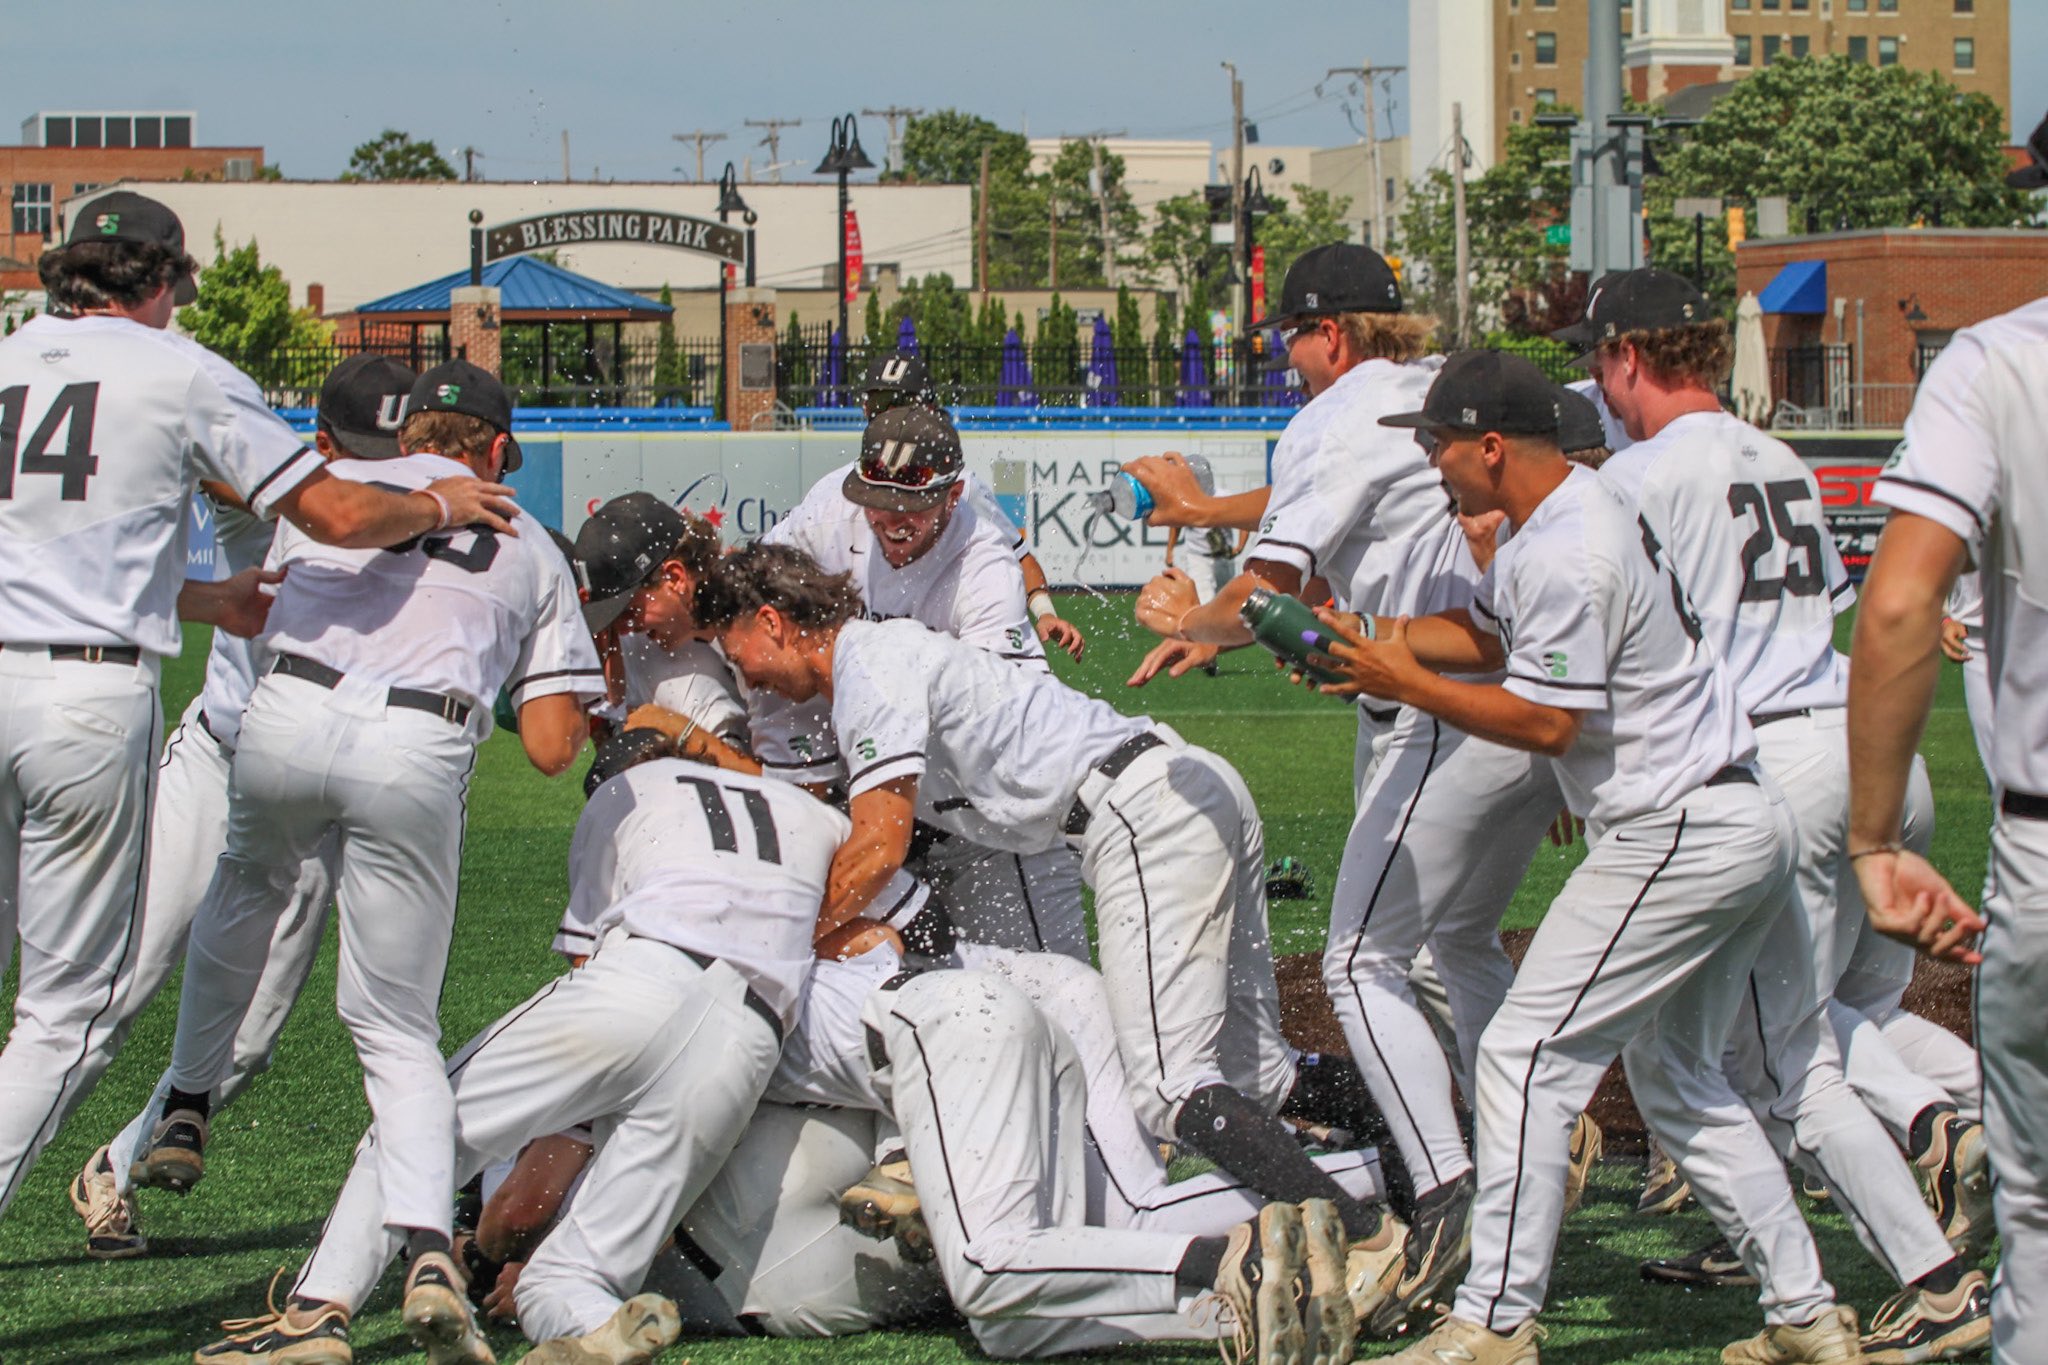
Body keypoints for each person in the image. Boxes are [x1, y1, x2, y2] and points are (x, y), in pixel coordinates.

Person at [696, 541, 1420, 1314]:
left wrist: (783, 937)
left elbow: (877, 846)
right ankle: (1450, 1161)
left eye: (734, 650)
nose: (744, 675)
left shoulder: (866, 663)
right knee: (1262, 1078)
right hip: (1187, 783)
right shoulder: (885, 652)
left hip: (1140, 811)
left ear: (769, 619)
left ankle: (1373, 1239)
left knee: (1170, 1089)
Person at [1313, 348, 1864, 1365]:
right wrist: (1364, 641)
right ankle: (1803, 1316)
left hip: (1677, 829)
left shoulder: (1569, 543)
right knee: (1680, 1079)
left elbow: (1544, 723)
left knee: (1524, 1055)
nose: (1430, 463)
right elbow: (1480, 633)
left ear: (1489, 447)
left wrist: (1402, 680)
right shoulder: (1564, 515)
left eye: (1437, 444)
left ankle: (1492, 1323)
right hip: (1729, 817)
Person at [0, 192, 517, 1230]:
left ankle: (146, 1137)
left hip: (263, 762)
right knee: (75, 1008)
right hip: (132, 721)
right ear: (159, 283)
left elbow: (77, 544)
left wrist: (202, 599)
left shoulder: (14, 353)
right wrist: (433, 500)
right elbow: (325, 508)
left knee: (226, 1032)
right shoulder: (191, 383)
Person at [133, 359, 604, 1356]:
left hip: (288, 714)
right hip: (417, 748)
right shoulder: (531, 545)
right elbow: (555, 745)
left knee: (244, 885)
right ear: (502, 449)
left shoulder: (331, 493)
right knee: (395, 1030)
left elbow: (278, 510)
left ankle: (183, 1099)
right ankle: (429, 1245)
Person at [1133, 246, 1565, 1329]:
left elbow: (1275, 579)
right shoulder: (1443, 392)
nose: (1284, 357)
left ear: (1330, 335)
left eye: (1289, 336)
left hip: (1438, 707)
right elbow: (1317, 503)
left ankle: (1445, 1193)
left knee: (1358, 961)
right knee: (1455, 945)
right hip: (1533, 690)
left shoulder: (1333, 413)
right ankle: (1537, 1148)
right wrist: (1204, 523)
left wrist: (1191, 617)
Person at [1567, 269, 1990, 1357]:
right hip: (1847, 740)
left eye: (1597, 361)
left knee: (1771, 1065)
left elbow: (1607, 642)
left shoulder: (1636, 476)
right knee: (1800, 1048)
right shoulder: (1779, 454)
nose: (1597, 384)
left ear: (1624, 356)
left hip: (1769, 764)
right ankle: (1863, 1250)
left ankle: (1920, 1281)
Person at [193, 727, 839, 1364]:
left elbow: (587, 960)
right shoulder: (808, 812)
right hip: (749, 1040)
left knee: (419, 1122)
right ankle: (593, 1326)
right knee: (572, 1273)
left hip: (644, 976)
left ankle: (315, 1312)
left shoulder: (623, 795)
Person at [66, 354, 418, 1260]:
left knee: (249, 1040)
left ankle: (115, 1162)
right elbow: (218, 472)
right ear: (323, 441)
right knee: (115, 991)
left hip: (313, 793)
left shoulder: (418, 502)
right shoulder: (269, 480)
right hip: (220, 762)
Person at [1848, 243, 2048, 1357]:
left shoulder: (1995, 359)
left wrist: (1873, 838)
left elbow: (1896, 606)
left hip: (2042, 836)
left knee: (2038, 1210)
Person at [757, 406, 1089, 959]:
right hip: (885, 805)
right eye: (876, 503)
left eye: (910, 507)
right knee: (917, 1011)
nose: (889, 519)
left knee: (1053, 999)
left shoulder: (983, 559)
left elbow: (999, 723)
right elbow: (753, 590)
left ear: (953, 495)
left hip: (993, 828)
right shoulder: (826, 512)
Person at [859, 349, 1086, 660]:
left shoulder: (958, 485)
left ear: (929, 410)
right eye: (880, 405)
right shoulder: (842, 486)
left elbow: (1019, 556)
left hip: (941, 650)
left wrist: (1044, 612)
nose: (890, 417)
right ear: (864, 409)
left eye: (902, 405)